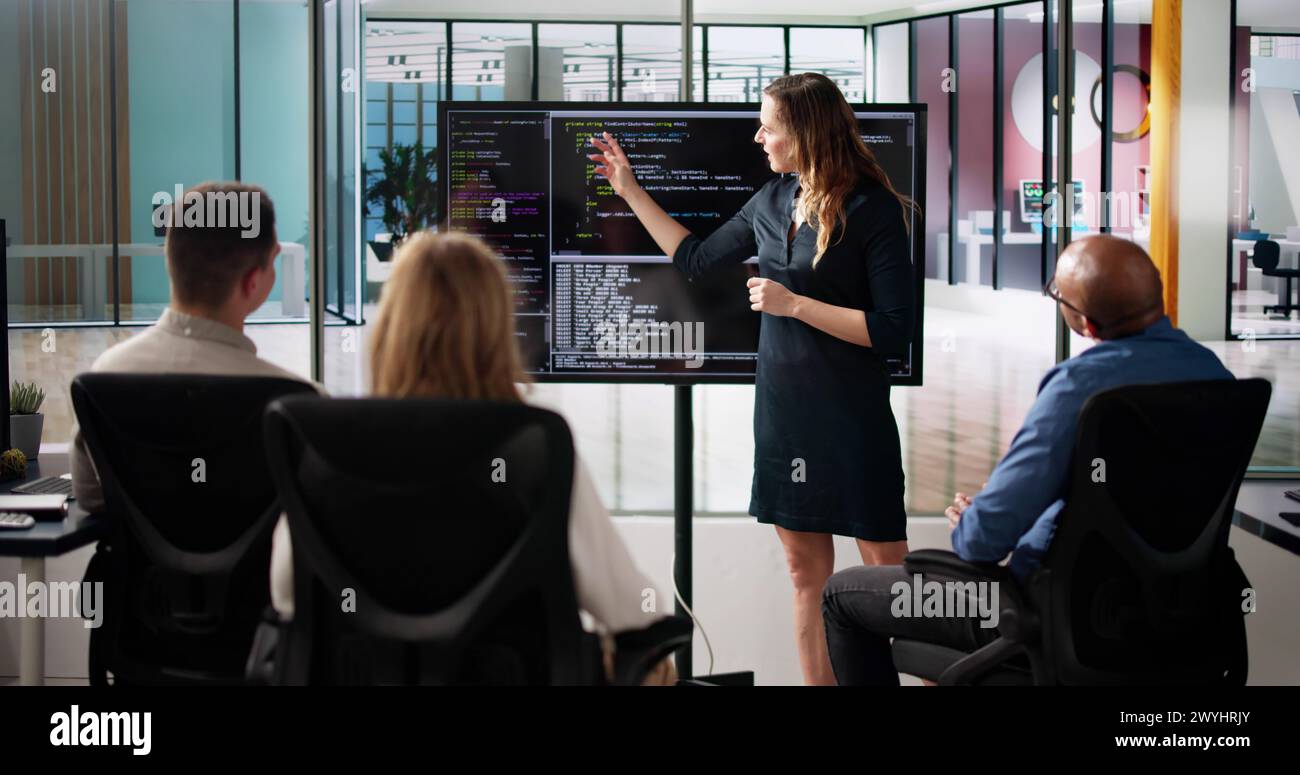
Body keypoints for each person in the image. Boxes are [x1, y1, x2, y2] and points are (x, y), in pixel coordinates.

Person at [589, 72, 915, 684]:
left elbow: (894, 330)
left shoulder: (874, 210)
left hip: (854, 420)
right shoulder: (770, 200)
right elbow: (695, 259)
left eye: (770, 125)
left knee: (890, 584)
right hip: (785, 418)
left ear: (805, 134)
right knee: (804, 577)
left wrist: (795, 305)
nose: (758, 135)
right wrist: (629, 190)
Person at [821, 234, 1234, 686]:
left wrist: (972, 521)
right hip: (1173, 613)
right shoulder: (1216, 375)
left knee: (843, 596)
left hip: (1042, 610)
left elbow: (983, 544)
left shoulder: (1078, 387)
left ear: (1084, 324)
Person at [268, 230, 673, 683]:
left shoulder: (328, 450)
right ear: (498, 334)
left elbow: (285, 592)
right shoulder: (532, 452)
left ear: (389, 330)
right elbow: (634, 613)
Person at [71, 181, 310, 513]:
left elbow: (92, 498)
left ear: (170, 259)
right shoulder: (298, 402)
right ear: (254, 281)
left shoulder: (103, 378)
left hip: (135, 567)